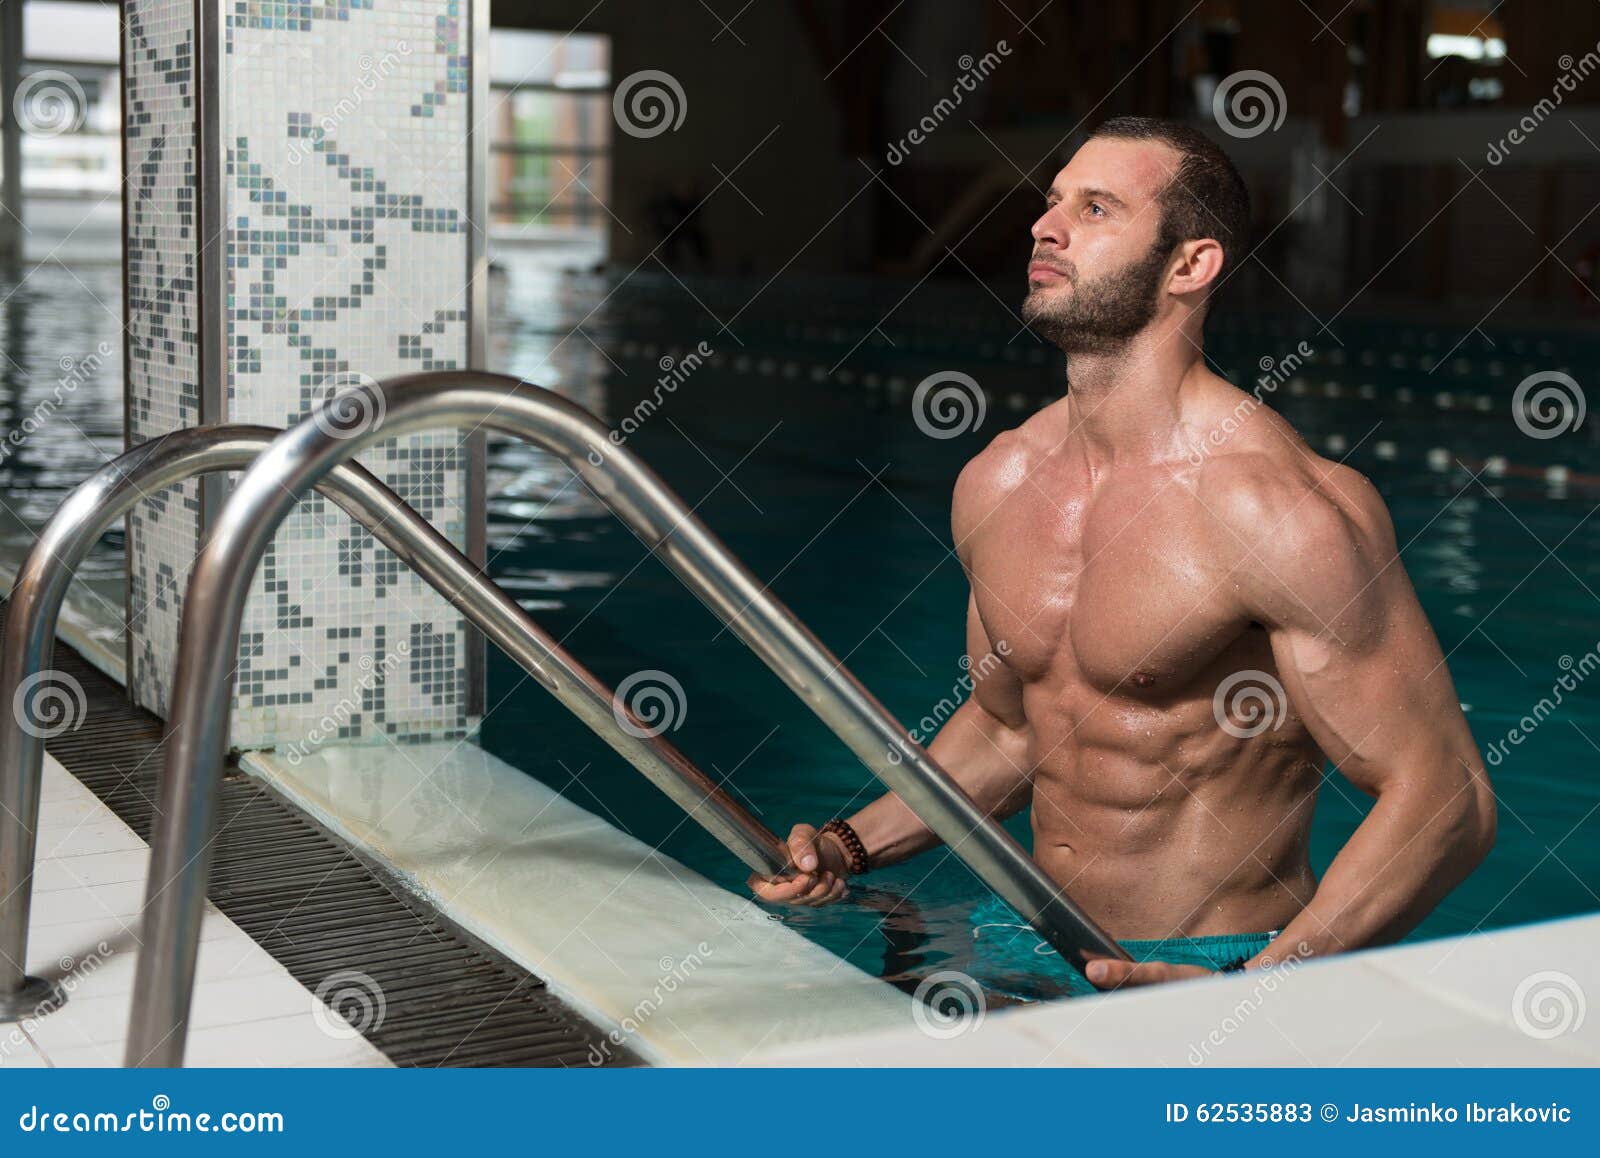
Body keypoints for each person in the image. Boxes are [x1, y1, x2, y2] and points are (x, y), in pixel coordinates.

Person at [749, 116, 1495, 991]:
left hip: (1207, 969)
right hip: (1018, 936)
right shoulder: (1000, 479)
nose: (1046, 225)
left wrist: (1256, 990)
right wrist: (849, 844)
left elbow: (1445, 799)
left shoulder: (1273, 507)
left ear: (1190, 265)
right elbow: (1011, 726)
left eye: (1096, 208)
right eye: (1053, 201)